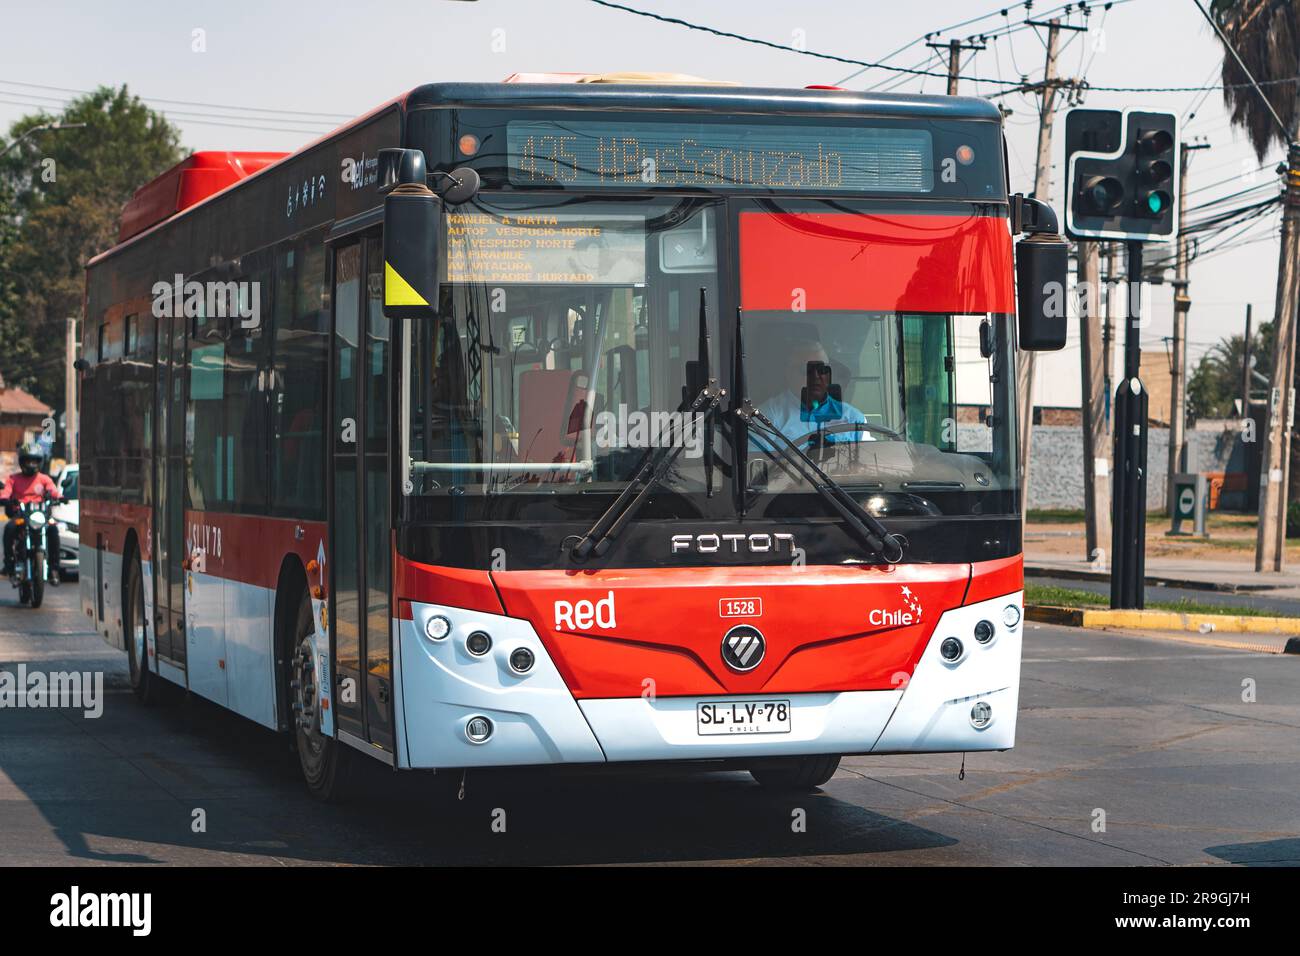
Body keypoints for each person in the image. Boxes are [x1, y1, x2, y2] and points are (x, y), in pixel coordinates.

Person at [756, 339, 873, 449]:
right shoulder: (767, 417)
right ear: (788, 373)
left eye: (822, 369)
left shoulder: (853, 417)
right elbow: (757, 465)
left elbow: (871, 461)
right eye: (807, 369)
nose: (816, 377)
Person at [1, 442, 62, 584]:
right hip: (21, 516)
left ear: (39, 462)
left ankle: (54, 568)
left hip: (40, 516)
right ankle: (9, 564)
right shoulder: (13, 479)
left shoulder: (44, 479)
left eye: (34, 461)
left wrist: (59, 498)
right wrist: (5, 500)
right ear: (22, 462)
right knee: (9, 528)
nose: (31, 464)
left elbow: (53, 491)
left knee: (53, 529)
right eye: (28, 460)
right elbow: (6, 493)